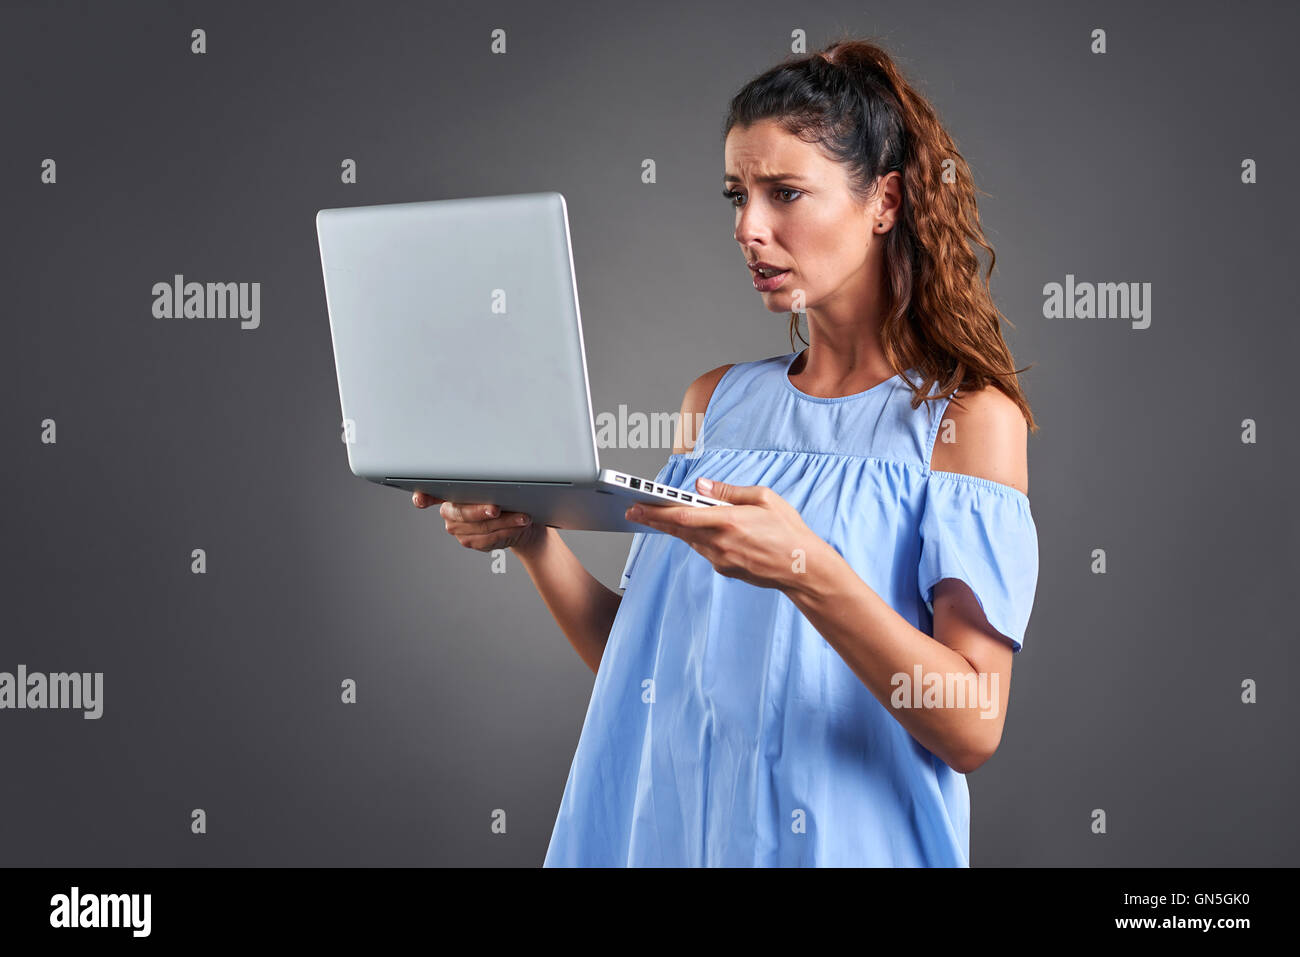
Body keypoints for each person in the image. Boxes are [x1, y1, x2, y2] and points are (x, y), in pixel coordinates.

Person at [416, 37, 1040, 866]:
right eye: (737, 194)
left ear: (884, 201)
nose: (749, 227)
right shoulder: (713, 405)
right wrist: (534, 537)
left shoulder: (963, 422)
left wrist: (808, 569)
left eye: (785, 193)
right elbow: (645, 660)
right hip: (678, 835)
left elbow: (970, 723)